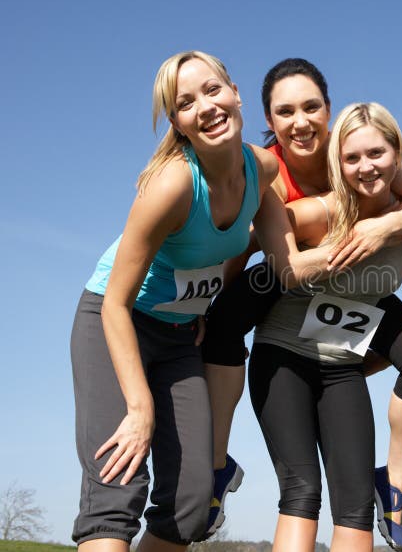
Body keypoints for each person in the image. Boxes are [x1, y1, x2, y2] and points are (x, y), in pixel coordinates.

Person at [69, 50, 329, 552]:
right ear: (178, 123)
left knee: (190, 506)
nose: (205, 107)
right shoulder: (172, 186)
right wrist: (140, 407)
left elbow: (288, 268)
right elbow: (116, 304)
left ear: (234, 93)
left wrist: (385, 227)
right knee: (118, 483)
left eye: (212, 90)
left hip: (180, 334)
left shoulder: (262, 168)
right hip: (114, 323)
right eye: (186, 103)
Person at [202, 59, 402, 549]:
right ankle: (215, 466)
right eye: (285, 112)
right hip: (293, 271)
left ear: (328, 111)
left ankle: (391, 483)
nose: (300, 122)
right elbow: (252, 251)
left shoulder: (360, 149)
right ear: (269, 120)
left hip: (359, 286)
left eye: (311, 107)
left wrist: (384, 227)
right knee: (225, 318)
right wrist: (215, 302)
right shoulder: (270, 172)